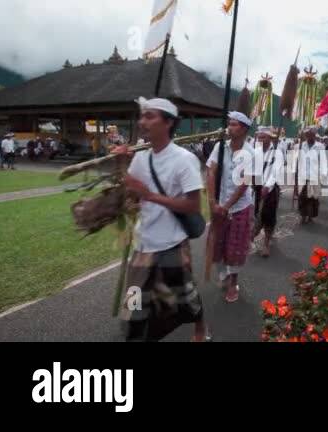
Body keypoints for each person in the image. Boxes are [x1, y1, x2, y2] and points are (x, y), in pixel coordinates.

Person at [113, 97, 209, 342]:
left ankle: (200, 328)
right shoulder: (140, 158)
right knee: (133, 305)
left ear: (168, 123)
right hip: (142, 245)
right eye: (142, 116)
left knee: (186, 297)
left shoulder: (184, 159)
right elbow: (130, 191)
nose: (142, 122)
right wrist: (121, 164)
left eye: (150, 116)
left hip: (172, 245)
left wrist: (149, 195)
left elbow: (193, 206)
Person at [206, 111, 255, 304]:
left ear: (243, 129)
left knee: (235, 247)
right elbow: (210, 172)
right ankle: (224, 274)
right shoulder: (219, 147)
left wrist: (227, 206)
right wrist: (212, 202)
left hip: (239, 207)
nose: (229, 127)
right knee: (216, 245)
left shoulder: (251, 153)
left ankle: (234, 281)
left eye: (234, 124)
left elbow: (244, 184)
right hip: (218, 205)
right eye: (229, 124)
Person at [252, 126, 281, 258]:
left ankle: (266, 243)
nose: (261, 139)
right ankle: (253, 234)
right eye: (260, 137)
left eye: (264, 137)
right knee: (256, 214)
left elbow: (275, 172)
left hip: (271, 189)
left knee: (268, 216)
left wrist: (267, 187)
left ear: (270, 138)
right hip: (256, 188)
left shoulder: (277, 152)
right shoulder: (255, 151)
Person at [297, 126, 326, 224]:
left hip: (315, 176)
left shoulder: (320, 147)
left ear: (315, 135)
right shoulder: (300, 146)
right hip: (303, 175)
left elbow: (323, 162)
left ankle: (310, 216)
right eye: (308, 135)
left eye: (312, 135)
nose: (310, 137)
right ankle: (303, 216)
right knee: (302, 197)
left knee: (313, 198)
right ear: (305, 136)